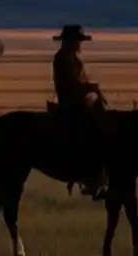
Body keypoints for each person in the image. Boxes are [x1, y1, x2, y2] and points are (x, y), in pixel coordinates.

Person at [51, 24, 107, 200]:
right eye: (77, 41)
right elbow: (71, 85)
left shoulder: (71, 58)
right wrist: (92, 88)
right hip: (71, 104)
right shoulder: (63, 58)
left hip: (77, 102)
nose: (79, 45)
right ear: (69, 42)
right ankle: (90, 177)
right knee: (92, 133)